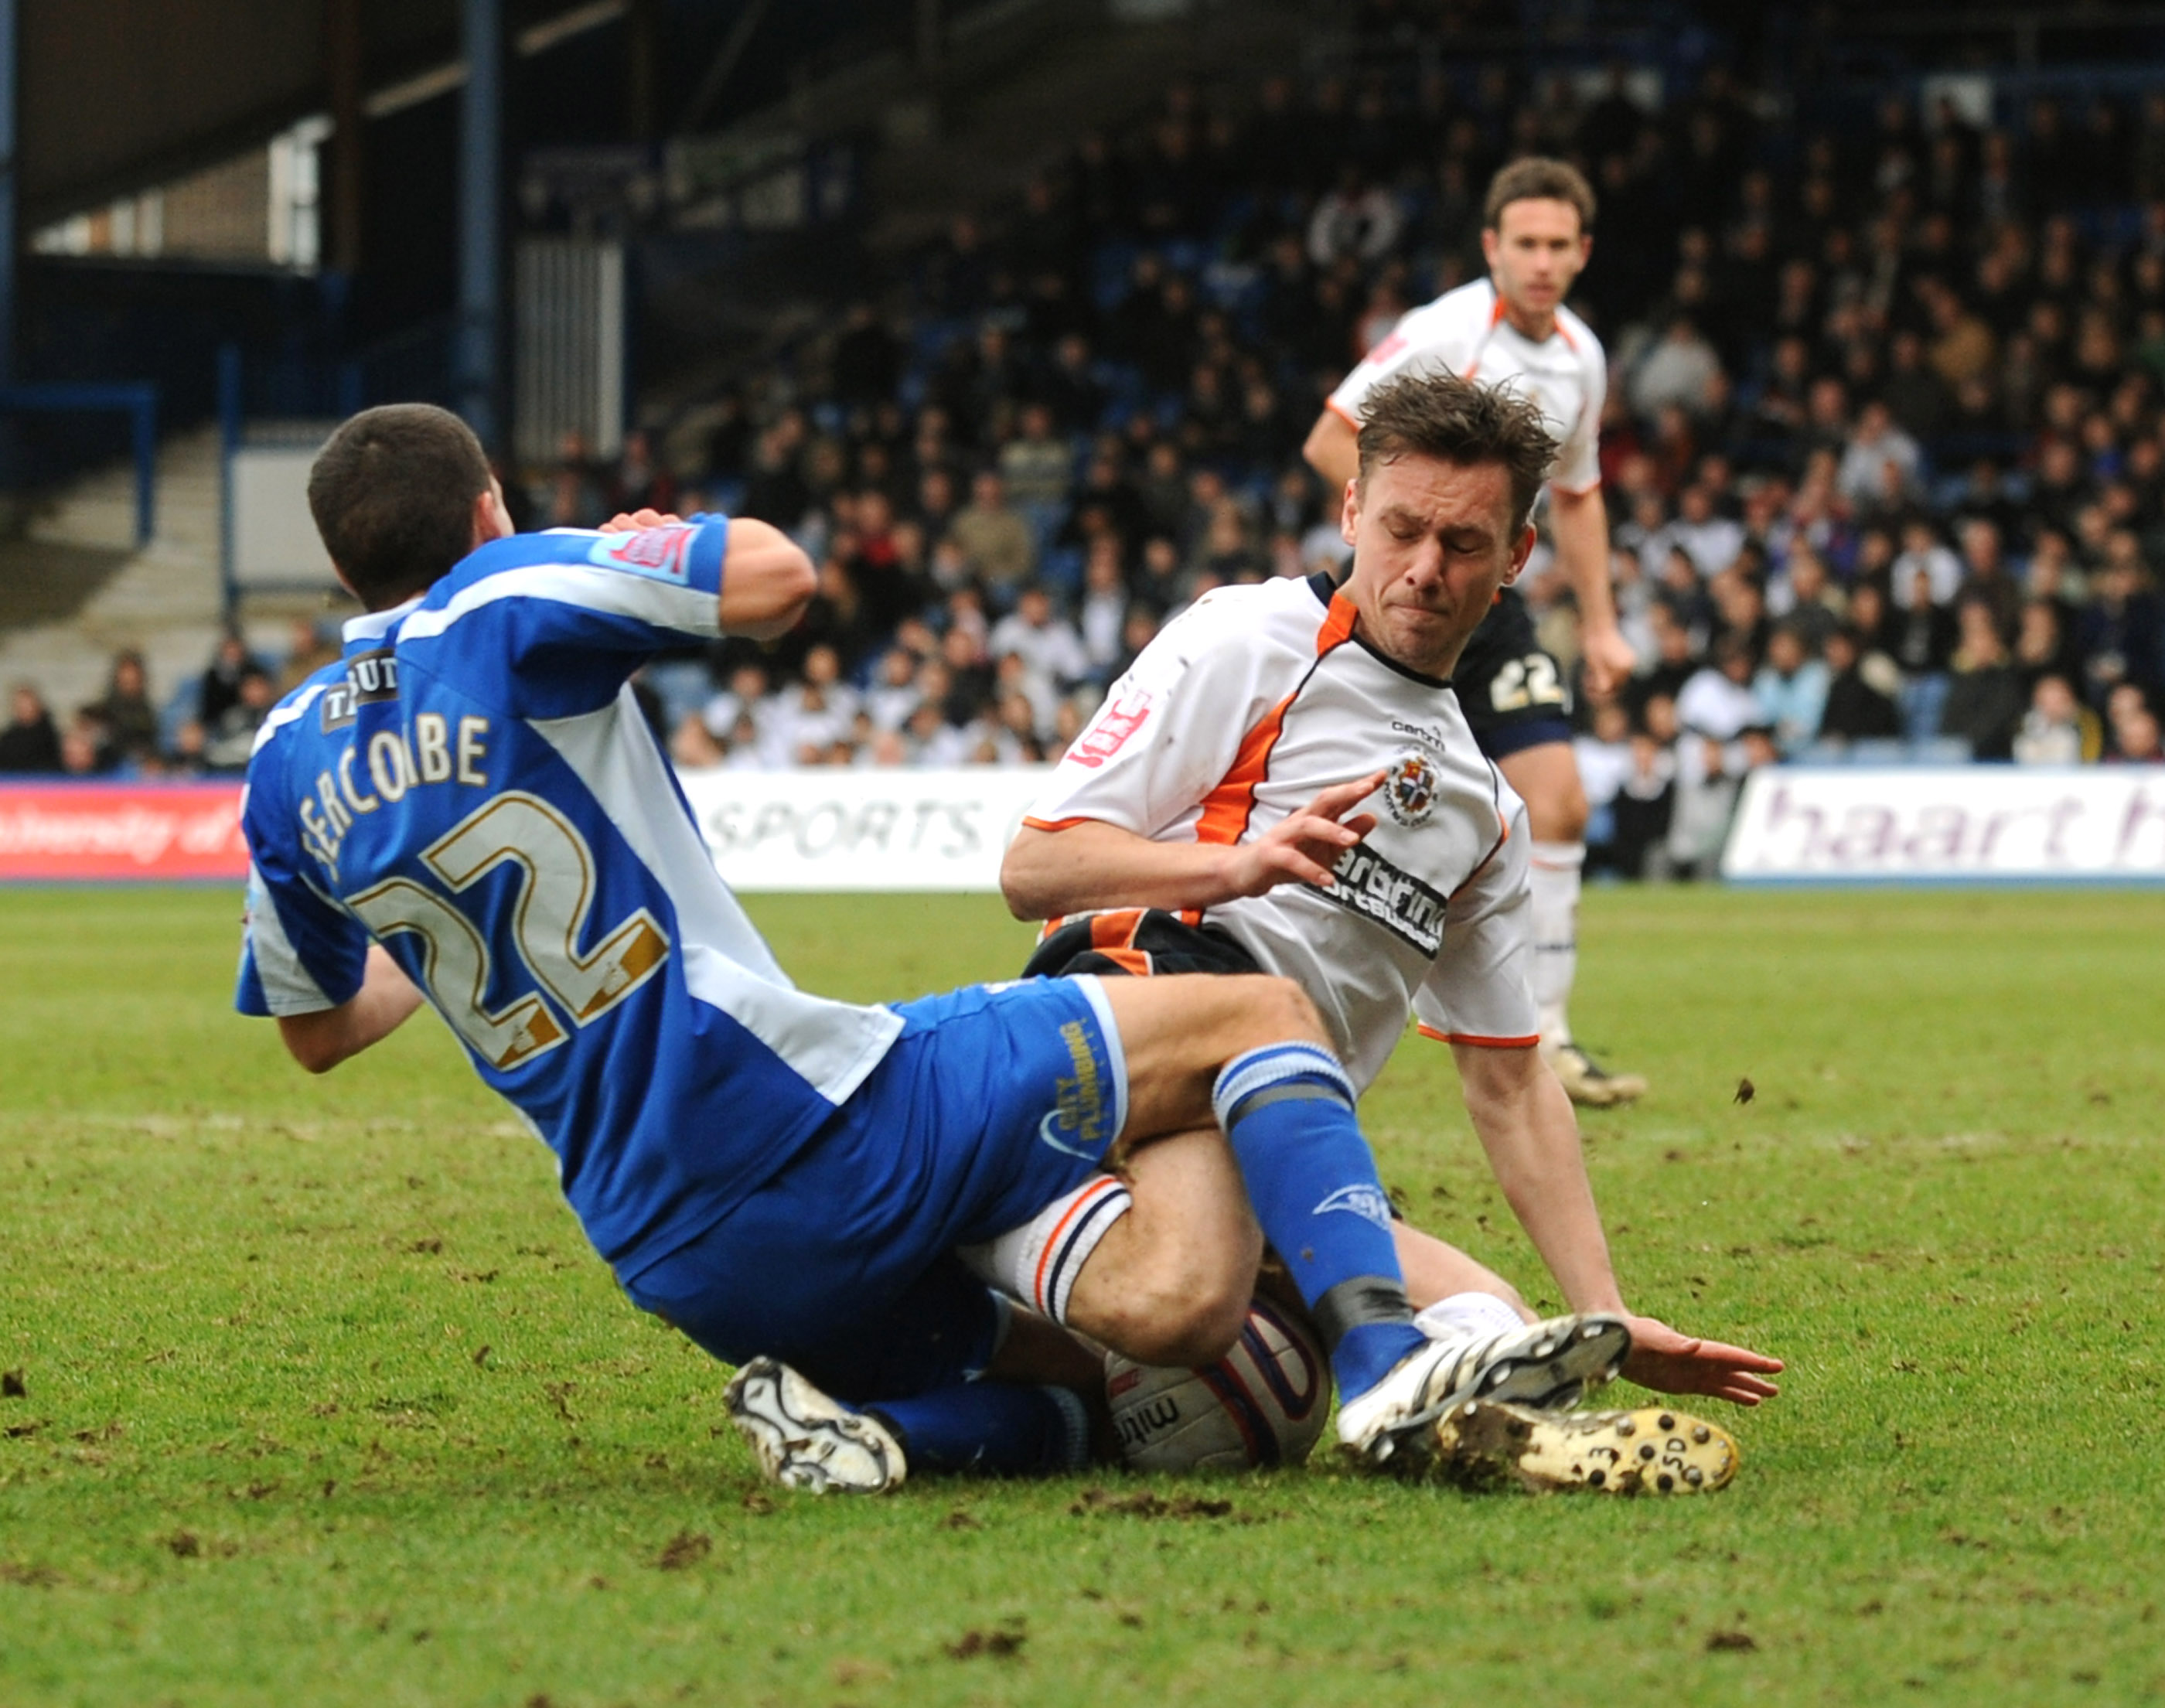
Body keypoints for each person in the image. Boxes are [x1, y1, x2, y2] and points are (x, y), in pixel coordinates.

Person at [233, 404, 1651, 1498]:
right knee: (1255, 1009)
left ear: (341, 564)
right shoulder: (501, 592)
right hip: (815, 1116)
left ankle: (887, 1439)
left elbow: (316, 1028)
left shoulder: (284, 761)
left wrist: (455, 922)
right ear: (491, 508)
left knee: (1116, 1389)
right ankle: (1386, 1361)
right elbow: (776, 577)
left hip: (667, 1243)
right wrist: (641, 535)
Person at [1008, 372, 1780, 1412]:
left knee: (1481, 1320)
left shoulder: (1484, 811)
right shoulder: (1249, 637)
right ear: (1350, 513)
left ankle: (918, 1382)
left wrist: (1608, 1309)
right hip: (1135, 1016)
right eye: (1402, 530)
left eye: (1463, 545)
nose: (1424, 570)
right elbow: (1036, 867)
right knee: (1199, 1301)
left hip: (1276, 1128)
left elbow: (1508, 1085)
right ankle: (1381, 1374)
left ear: (1515, 557)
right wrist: (1233, 867)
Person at [1301, 157, 1646, 1106]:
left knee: (1561, 804)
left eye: (1556, 245)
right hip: (1403, 597)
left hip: (1496, 604)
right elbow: (1333, 438)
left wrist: (1604, 625)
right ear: (1491, 247)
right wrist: (1413, 534)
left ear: (1582, 253)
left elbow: (1576, 497)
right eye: (1522, 244)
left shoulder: (1580, 356)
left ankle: (1552, 1038)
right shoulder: (1445, 332)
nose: (1539, 262)